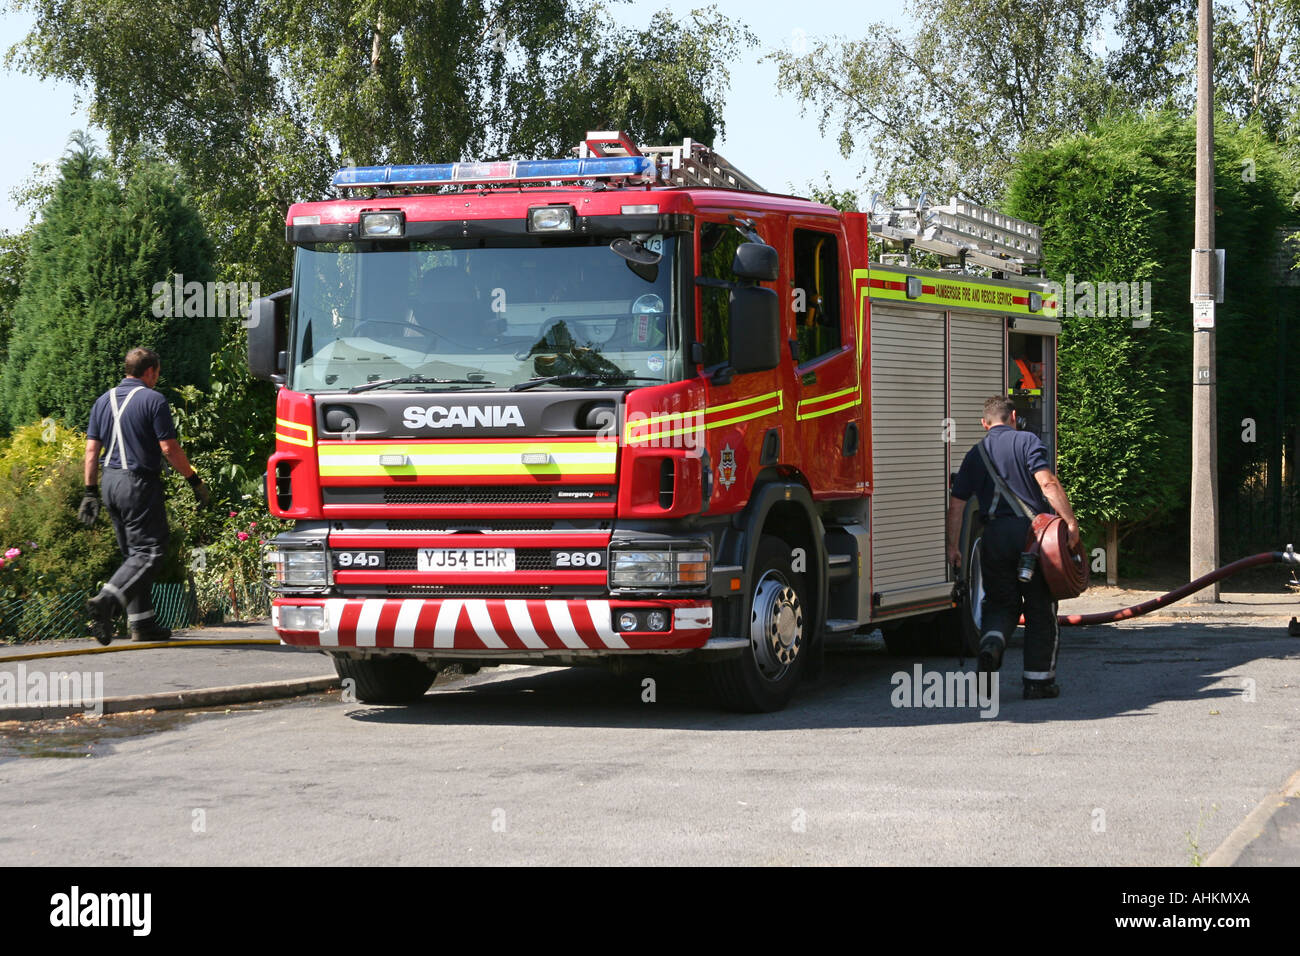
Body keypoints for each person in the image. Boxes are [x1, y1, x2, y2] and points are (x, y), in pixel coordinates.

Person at [946, 395, 1080, 700]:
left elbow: (957, 504)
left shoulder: (975, 454)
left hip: (992, 538)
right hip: (1031, 539)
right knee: (1039, 609)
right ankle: (1038, 682)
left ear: (984, 423)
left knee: (999, 603)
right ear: (1014, 416)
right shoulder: (1028, 441)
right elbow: (1047, 483)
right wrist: (1070, 522)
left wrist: (953, 547)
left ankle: (991, 646)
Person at [79, 348, 210, 644]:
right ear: (150, 371)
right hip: (137, 484)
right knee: (151, 551)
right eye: (157, 373)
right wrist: (194, 480)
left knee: (132, 555)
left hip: (109, 483)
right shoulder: (154, 400)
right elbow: (169, 448)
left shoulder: (102, 401)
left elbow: (91, 451)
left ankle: (142, 624)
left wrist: (89, 492)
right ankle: (107, 599)